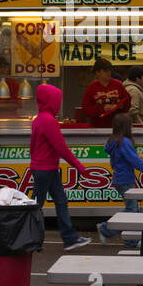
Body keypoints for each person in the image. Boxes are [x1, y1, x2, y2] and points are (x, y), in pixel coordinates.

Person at [30, 83, 94, 250]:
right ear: (52, 101)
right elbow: (62, 148)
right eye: (57, 100)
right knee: (38, 206)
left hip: (44, 169)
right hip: (47, 169)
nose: (59, 104)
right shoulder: (49, 121)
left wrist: (34, 164)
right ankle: (31, 239)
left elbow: (33, 146)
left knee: (51, 203)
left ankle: (68, 238)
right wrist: (79, 167)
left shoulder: (38, 119)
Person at [97, 112, 143, 246]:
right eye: (130, 125)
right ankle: (107, 229)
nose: (132, 127)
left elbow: (115, 162)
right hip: (126, 180)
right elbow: (135, 161)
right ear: (126, 126)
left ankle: (129, 239)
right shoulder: (124, 142)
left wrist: (132, 160)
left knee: (132, 210)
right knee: (131, 210)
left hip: (119, 179)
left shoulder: (114, 141)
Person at [80, 58, 129, 128]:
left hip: (117, 127)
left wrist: (120, 105)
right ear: (97, 72)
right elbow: (86, 109)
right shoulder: (91, 88)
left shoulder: (118, 84)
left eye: (110, 70)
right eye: (105, 71)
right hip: (97, 128)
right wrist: (103, 108)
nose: (108, 73)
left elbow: (127, 101)